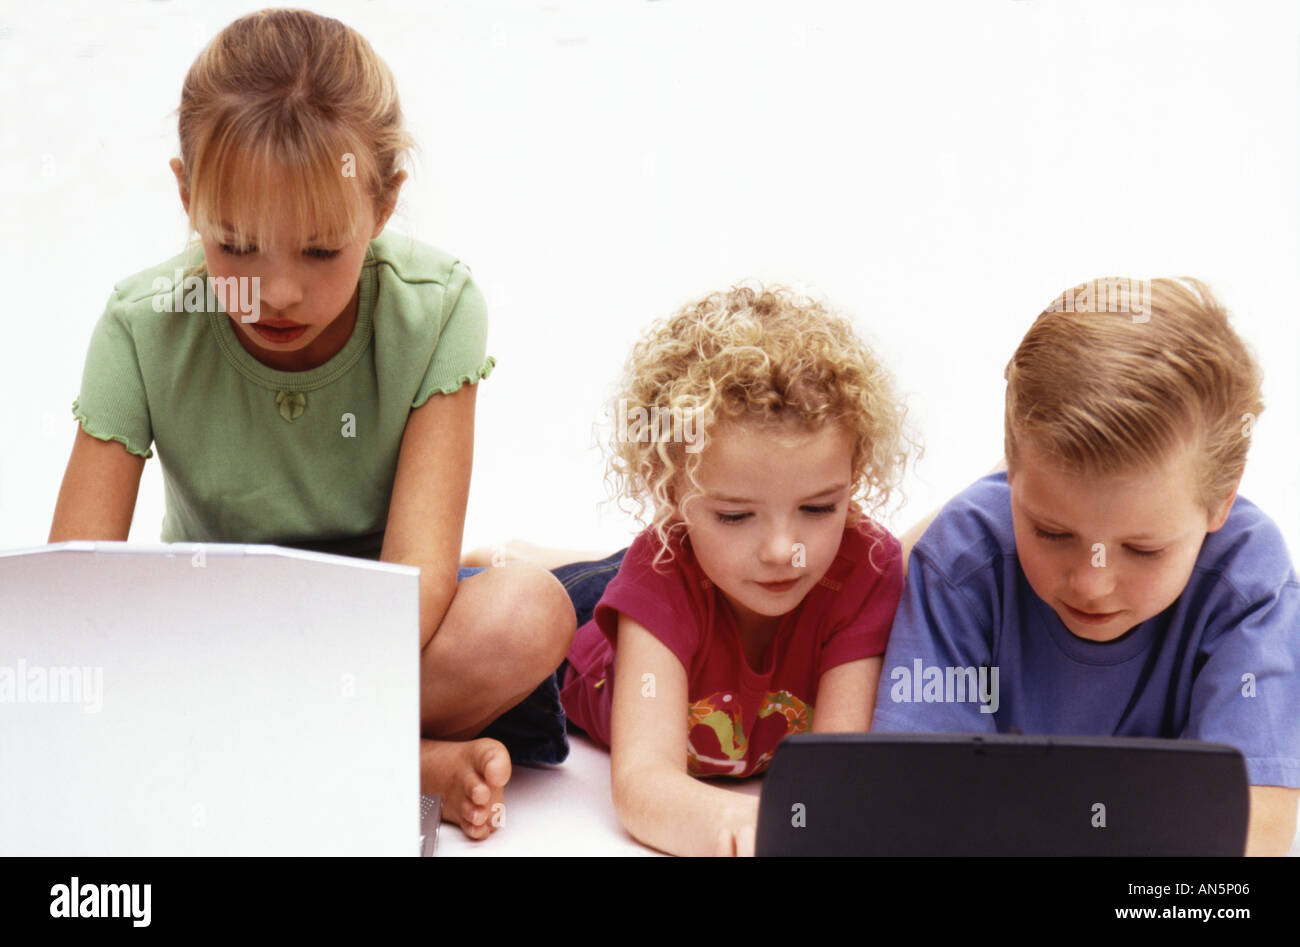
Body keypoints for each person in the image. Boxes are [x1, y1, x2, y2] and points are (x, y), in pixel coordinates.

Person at [47, 9, 575, 842]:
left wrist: (247, 691)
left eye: (322, 251)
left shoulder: (436, 307)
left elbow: (419, 580)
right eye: (236, 246)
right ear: (188, 197)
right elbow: (75, 584)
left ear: (385, 201)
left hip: (390, 631)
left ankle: (267, 745)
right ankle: (405, 761)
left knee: (535, 611)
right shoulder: (141, 324)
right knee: (88, 672)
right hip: (217, 629)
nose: (278, 291)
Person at [478, 283, 914, 855]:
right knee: (566, 594)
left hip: (710, 572)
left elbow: (834, 776)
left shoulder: (865, 568)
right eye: (735, 515)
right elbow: (642, 785)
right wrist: (738, 826)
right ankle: (524, 559)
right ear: (672, 492)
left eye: (818, 508)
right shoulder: (662, 570)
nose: (784, 551)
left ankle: (556, 553)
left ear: (855, 478)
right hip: (592, 634)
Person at [872, 277, 1300, 855]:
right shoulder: (963, 557)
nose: (1091, 583)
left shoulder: (1247, 582)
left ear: (1221, 500)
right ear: (1009, 473)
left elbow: (1253, 843)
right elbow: (915, 813)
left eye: (1143, 549)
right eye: (1051, 532)